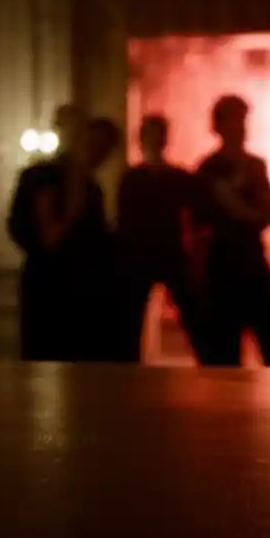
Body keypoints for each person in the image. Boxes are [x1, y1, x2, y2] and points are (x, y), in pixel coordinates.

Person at [7, 110, 118, 361]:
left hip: (80, 293)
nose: (97, 153)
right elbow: (48, 238)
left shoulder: (90, 187)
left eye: (104, 149)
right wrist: (71, 213)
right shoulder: (43, 178)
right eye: (92, 143)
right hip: (50, 288)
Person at [191, 95, 270, 367]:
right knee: (225, 354)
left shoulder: (254, 166)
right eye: (232, 120)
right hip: (223, 267)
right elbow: (199, 224)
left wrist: (233, 202)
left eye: (241, 120)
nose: (239, 127)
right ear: (219, 126)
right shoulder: (208, 169)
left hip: (251, 262)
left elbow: (267, 214)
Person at [116, 116, 204, 363]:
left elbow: (195, 219)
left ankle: (127, 370)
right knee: (132, 322)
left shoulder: (158, 178)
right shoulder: (139, 179)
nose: (155, 141)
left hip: (164, 253)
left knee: (192, 316)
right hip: (147, 255)